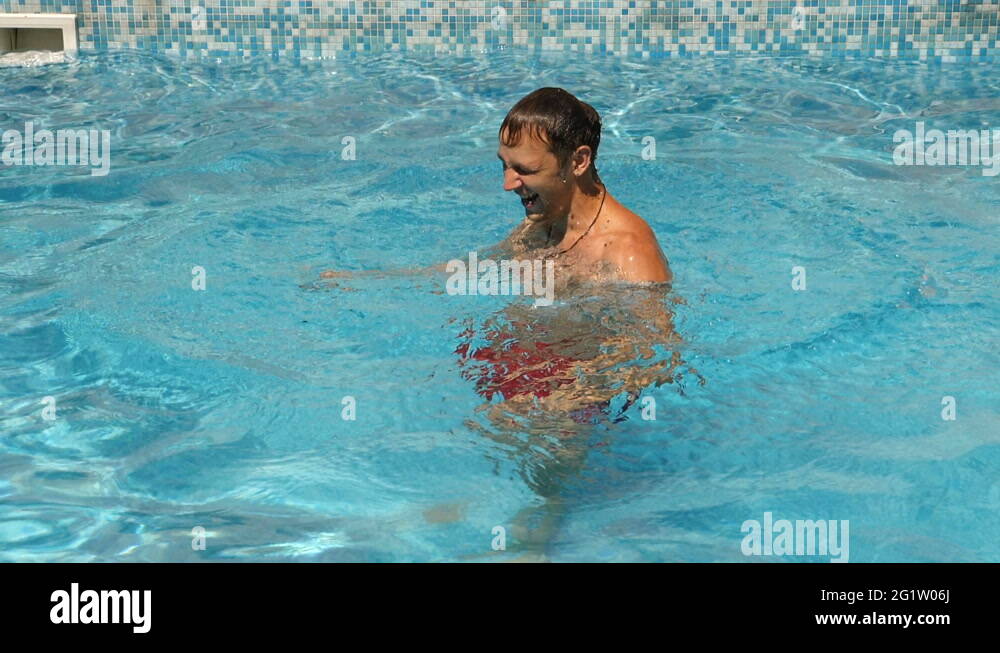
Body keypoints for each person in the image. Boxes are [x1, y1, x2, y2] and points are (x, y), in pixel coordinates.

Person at [320, 87, 672, 286]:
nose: (507, 184)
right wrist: (366, 280)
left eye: (525, 169)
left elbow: (658, 356)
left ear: (578, 162)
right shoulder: (545, 219)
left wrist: (579, 393)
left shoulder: (629, 251)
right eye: (503, 165)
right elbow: (478, 266)